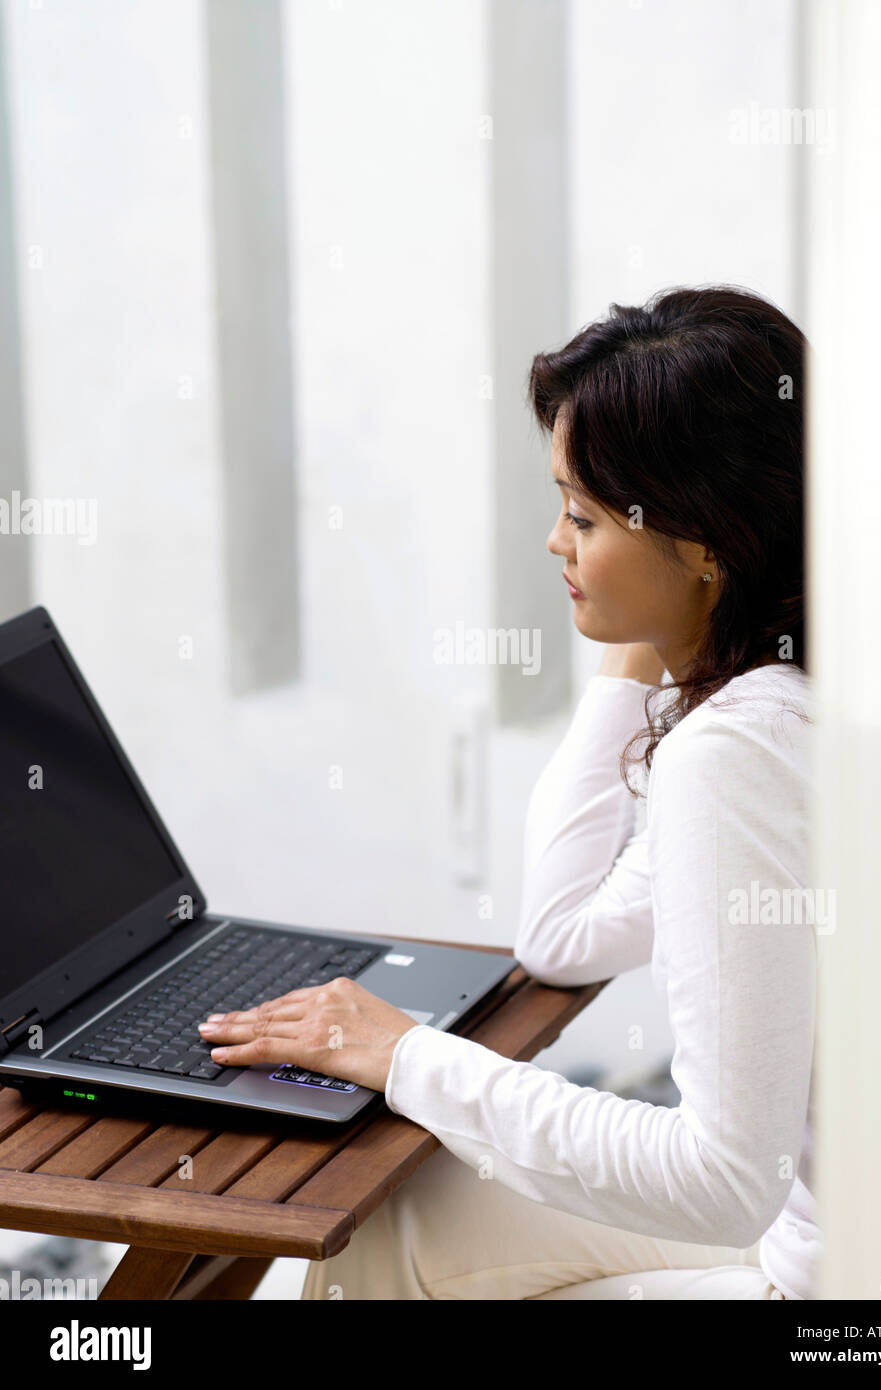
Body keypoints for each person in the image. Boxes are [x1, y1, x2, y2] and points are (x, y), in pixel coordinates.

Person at [199, 284, 821, 1300]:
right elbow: (562, 932)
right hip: (834, 1228)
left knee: (376, 1248)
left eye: (581, 514)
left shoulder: (737, 756)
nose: (554, 542)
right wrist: (645, 655)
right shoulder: (788, 693)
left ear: (706, 543)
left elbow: (721, 1184)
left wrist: (405, 1055)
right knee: (382, 1236)